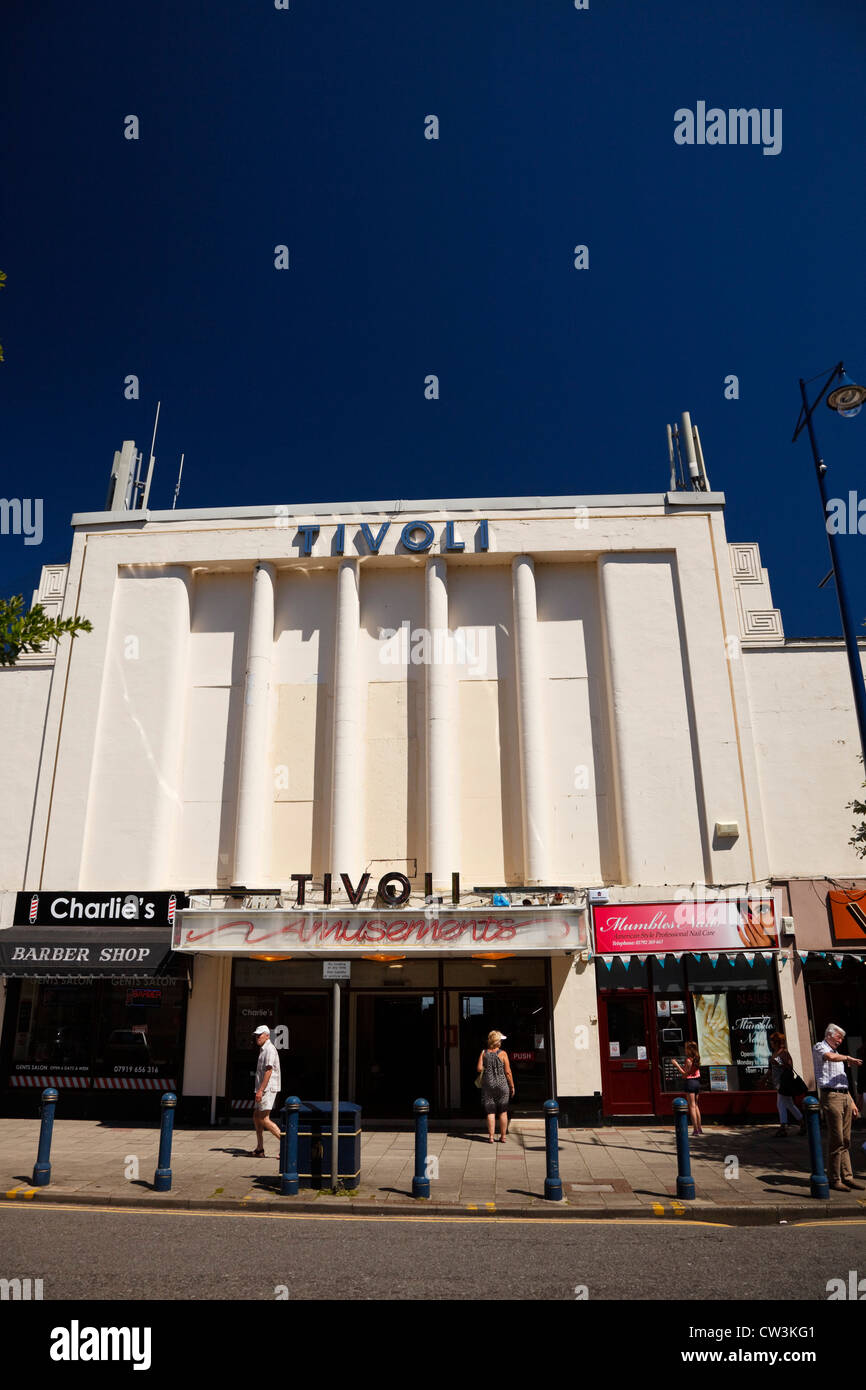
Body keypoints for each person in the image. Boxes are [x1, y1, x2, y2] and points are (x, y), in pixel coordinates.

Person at [813, 1023, 863, 1192]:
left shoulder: (838, 1053)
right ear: (829, 1035)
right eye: (838, 1037)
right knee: (837, 1139)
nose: (840, 1041)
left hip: (844, 1095)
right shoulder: (820, 1047)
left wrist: (852, 1101)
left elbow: (842, 1080)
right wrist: (848, 1058)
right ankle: (834, 1178)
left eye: (842, 1038)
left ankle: (848, 1177)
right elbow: (829, 1057)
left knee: (847, 1140)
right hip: (831, 1096)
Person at [477, 1030, 514, 1143]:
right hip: (502, 1085)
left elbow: (478, 1069)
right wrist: (512, 1086)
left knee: (490, 1112)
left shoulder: (483, 1052)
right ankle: (503, 1137)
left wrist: (488, 1067)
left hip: (488, 1085)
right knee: (503, 1112)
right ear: (497, 1041)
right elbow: (508, 1072)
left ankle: (491, 1137)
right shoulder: (503, 1054)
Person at [767, 1031, 805, 1137]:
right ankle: (802, 1123)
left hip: (784, 1083)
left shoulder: (784, 1053)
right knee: (789, 1104)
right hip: (778, 1083)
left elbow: (788, 1066)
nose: (771, 1043)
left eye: (773, 1041)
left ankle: (783, 1127)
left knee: (780, 1104)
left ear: (777, 1042)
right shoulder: (774, 1054)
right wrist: (764, 1079)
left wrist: (777, 1062)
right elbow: (771, 1070)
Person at [251, 1024, 281, 1157]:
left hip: (267, 1088)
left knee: (264, 1118)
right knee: (257, 1116)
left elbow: (269, 1071)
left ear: (267, 1035)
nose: (257, 1037)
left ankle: (287, 1144)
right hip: (262, 1088)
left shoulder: (269, 1049)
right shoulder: (263, 1049)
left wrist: (261, 1090)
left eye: (260, 1035)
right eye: (256, 1035)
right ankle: (260, 1148)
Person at [671, 1041, 703, 1135]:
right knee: (696, 1106)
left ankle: (695, 1129)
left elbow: (685, 1075)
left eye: (686, 1048)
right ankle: (700, 1128)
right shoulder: (697, 1058)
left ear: (689, 1050)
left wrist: (676, 1065)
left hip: (690, 1083)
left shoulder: (689, 1060)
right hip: (697, 1082)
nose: (684, 1050)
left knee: (692, 1106)